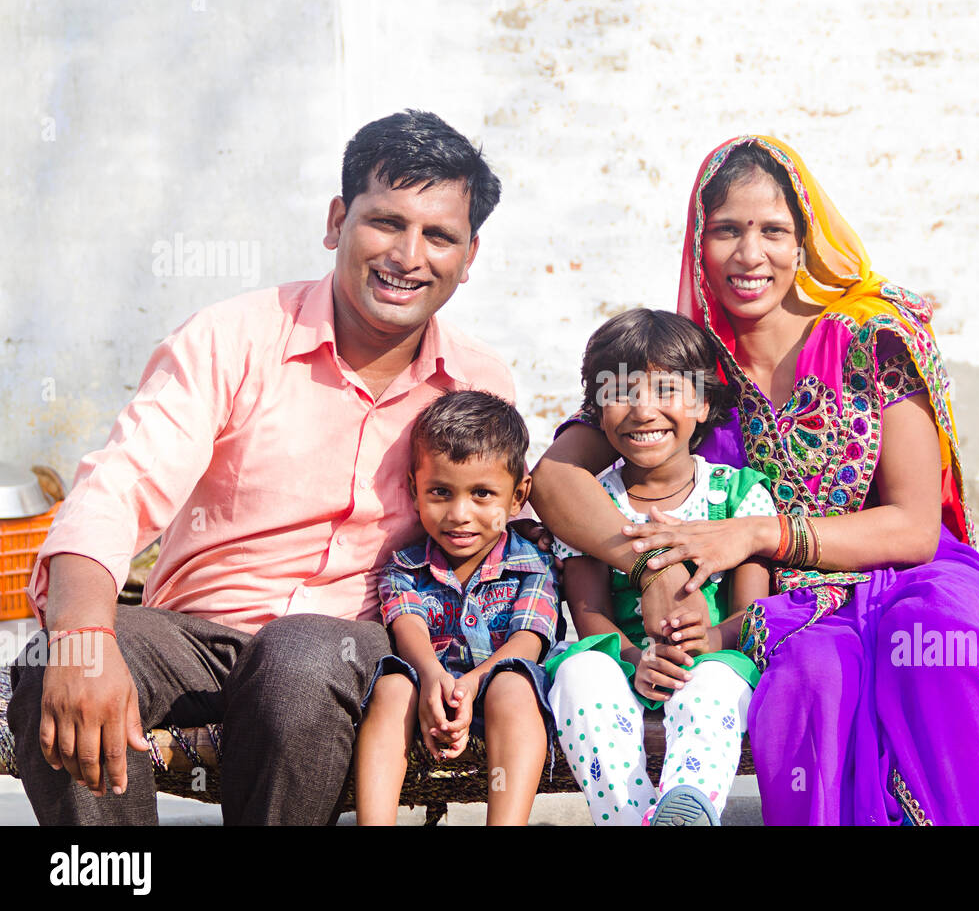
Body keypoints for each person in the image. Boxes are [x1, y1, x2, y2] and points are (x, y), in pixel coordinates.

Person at [530, 136, 979, 825]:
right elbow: (554, 482)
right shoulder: (685, 367)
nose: (750, 255)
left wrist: (753, 533)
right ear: (698, 242)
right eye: (727, 231)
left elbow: (915, 528)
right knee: (812, 677)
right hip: (776, 610)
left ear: (804, 244)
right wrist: (652, 563)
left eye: (773, 231)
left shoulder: (874, 339)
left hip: (895, 578)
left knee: (940, 638)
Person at [8, 109, 513, 824]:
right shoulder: (231, 338)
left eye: (438, 236)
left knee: (302, 655)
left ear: (469, 256)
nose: (408, 255)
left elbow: (497, 542)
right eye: (385, 222)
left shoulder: (478, 383)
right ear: (337, 220)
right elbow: (117, 487)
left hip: (345, 653)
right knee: (52, 660)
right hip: (194, 638)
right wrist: (84, 635)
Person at [544, 309, 775, 826]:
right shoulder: (591, 504)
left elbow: (751, 614)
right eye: (622, 391)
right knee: (579, 670)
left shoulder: (739, 494)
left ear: (705, 402)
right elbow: (588, 613)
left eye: (668, 390)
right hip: (622, 665)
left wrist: (706, 643)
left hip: (713, 660)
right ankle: (628, 817)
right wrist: (636, 659)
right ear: (596, 408)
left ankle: (687, 803)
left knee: (715, 682)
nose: (643, 411)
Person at [354, 390, 561, 826]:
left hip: (500, 688)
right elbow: (406, 625)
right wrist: (432, 676)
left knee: (513, 687)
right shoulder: (404, 566)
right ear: (414, 489)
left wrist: (471, 684)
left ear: (518, 495)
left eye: (482, 494)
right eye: (441, 493)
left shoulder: (534, 565)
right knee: (392, 688)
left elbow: (529, 640)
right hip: (427, 684)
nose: (460, 514)